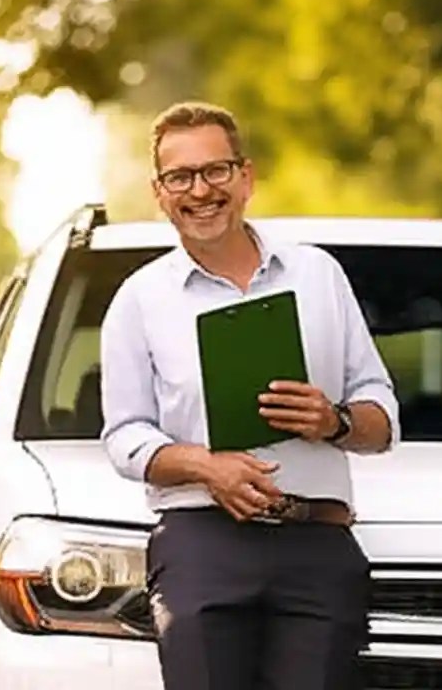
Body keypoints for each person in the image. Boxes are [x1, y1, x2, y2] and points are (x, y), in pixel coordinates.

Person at [99, 100, 400, 690]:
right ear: (159, 192)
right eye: (180, 177)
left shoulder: (318, 275)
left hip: (319, 541)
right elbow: (124, 435)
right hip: (200, 545)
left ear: (246, 176)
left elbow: (381, 411)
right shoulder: (139, 299)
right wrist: (205, 466)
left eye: (216, 170)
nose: (200, 190)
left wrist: (334, 421)